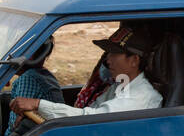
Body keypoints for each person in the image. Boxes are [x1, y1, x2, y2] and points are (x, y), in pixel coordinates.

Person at [11, 26, 163, 119]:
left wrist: (38, 105)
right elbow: (88, 111)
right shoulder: (122, 85)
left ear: (134, 60)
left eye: (114, 54)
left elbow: (91, 118)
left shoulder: (140, 97)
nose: (107, 60)